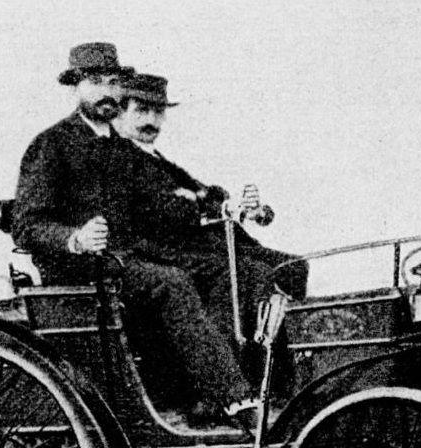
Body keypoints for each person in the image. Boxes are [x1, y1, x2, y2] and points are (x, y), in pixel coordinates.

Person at [12, 43, 258, 427]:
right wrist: (74, 237)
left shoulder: (122, 150)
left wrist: (219, 206)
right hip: (79, 272)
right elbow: (26, 225)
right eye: (95, 82)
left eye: (114, 82)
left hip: (125, 262)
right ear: (75, 86)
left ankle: (206, 392)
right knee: (170, 283)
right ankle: (234, 399)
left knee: (222, 270)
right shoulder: (51, 145)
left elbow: (159, 205)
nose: (107, 92)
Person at [112, 73, 308, 392]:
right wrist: (205, 206)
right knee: (247, 274)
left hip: (194, 243)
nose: (152, 120)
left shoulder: (154, 157)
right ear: (120, 111)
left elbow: (202, 193)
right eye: (141, 110)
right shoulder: (118, 158)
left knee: (291, 266)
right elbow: (159, 209)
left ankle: (279, 375)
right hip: (158, 251)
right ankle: (220, 387)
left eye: (158, 112)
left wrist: (236, 207)